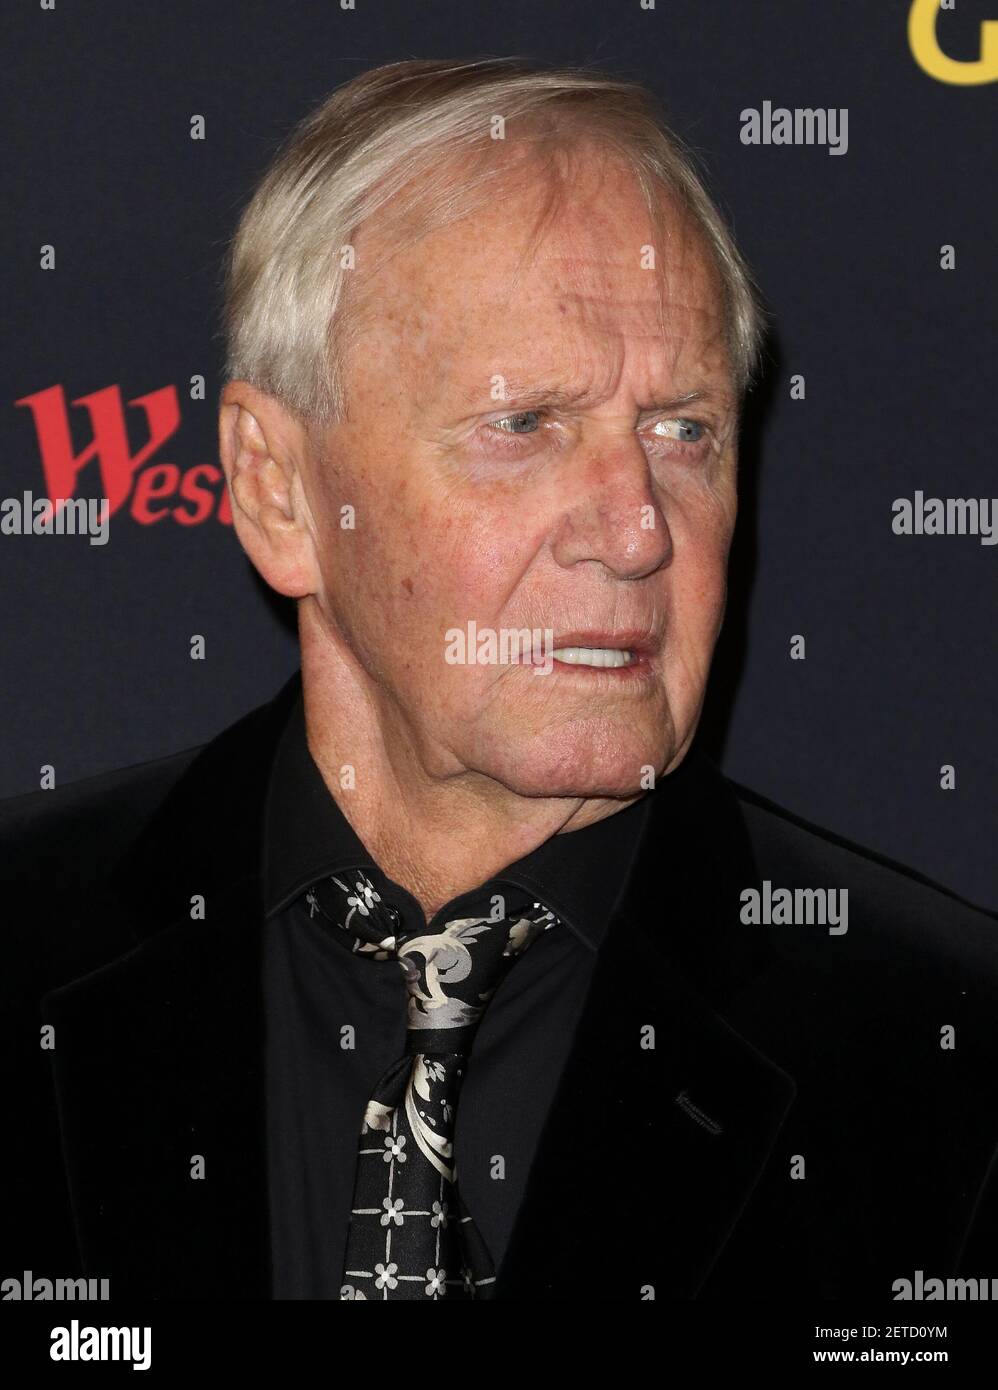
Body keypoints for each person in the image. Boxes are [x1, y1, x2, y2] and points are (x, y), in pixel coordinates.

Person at [2, 57, 996, 1303]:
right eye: (522, 425)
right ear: (276, 489)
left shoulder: (946, 1055)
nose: (637, 529)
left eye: (683, 430)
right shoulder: (27, 943)